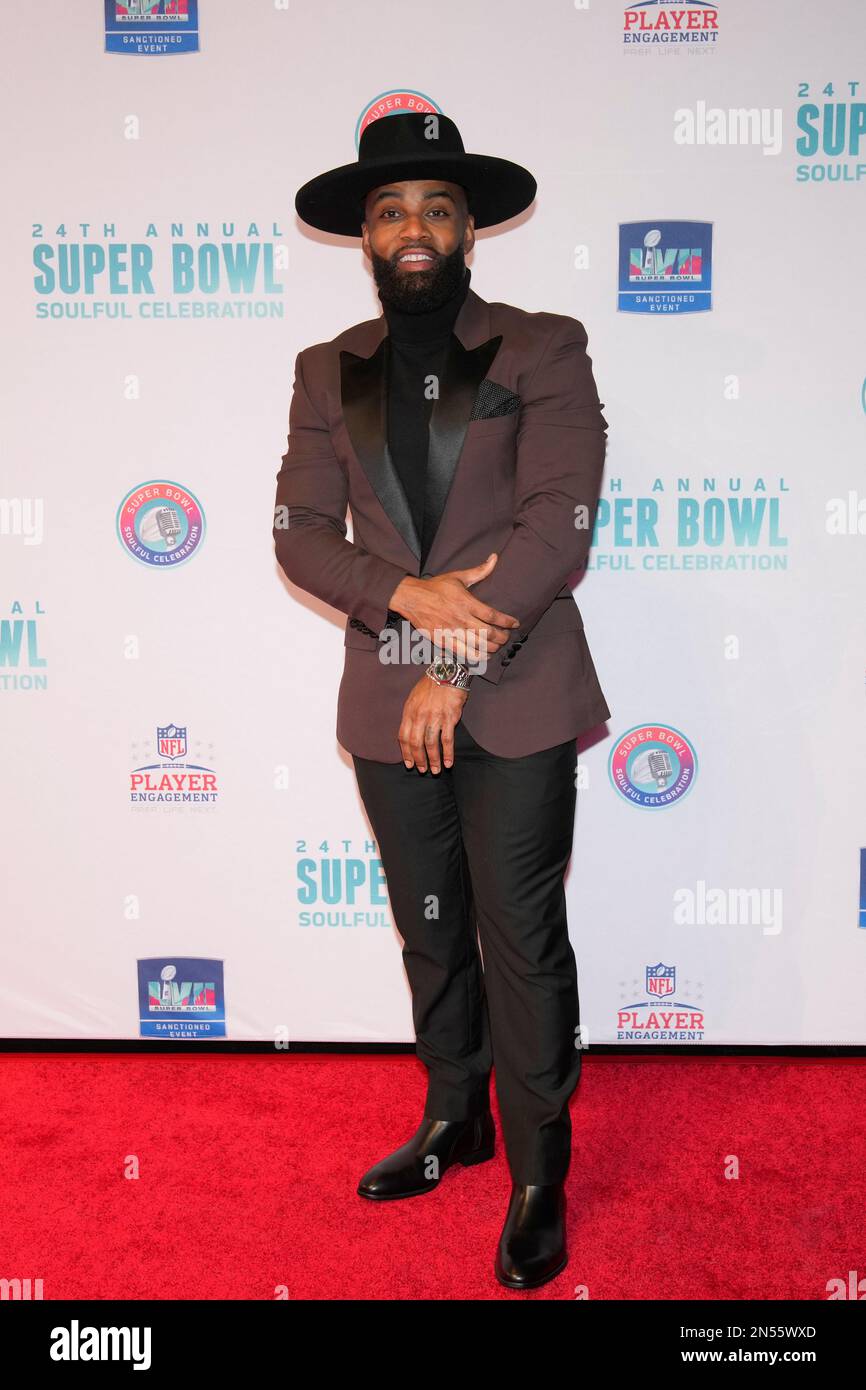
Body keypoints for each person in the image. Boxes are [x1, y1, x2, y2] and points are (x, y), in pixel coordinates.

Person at [276, 111, 610, 1291]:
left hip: (513, 691)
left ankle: (535, 1171)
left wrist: (451, 661)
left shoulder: (543, 346)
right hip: (384, 705)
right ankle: (452, 1118)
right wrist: (409, 596)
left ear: (468, 227)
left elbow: (556, 525)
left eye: (433, 207)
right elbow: (301, 535)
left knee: (518, 936)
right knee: (429, 924)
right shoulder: (328, 369)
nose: (410, 228)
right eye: (387, 210)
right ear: (362, 236)